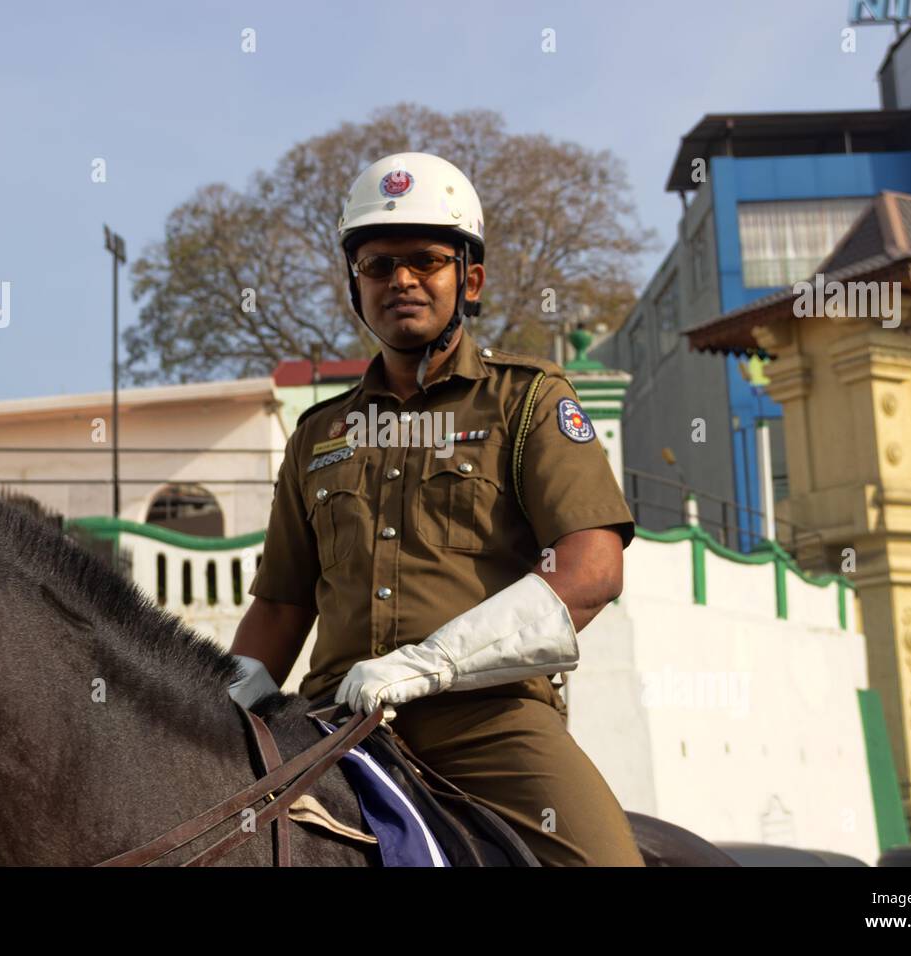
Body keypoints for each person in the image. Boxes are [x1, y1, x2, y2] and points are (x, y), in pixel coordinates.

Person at [228, 152, 644, 866]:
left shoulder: (528, 400)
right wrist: (215, 703)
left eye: (425, 260)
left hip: (489, 722)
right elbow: (280, 609)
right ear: (355, 286)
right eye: (378, 266)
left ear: (469, 278)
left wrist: (434, 662)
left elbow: (593, 567)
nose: (402, 281)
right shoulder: (318, 436)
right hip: (330, 725)